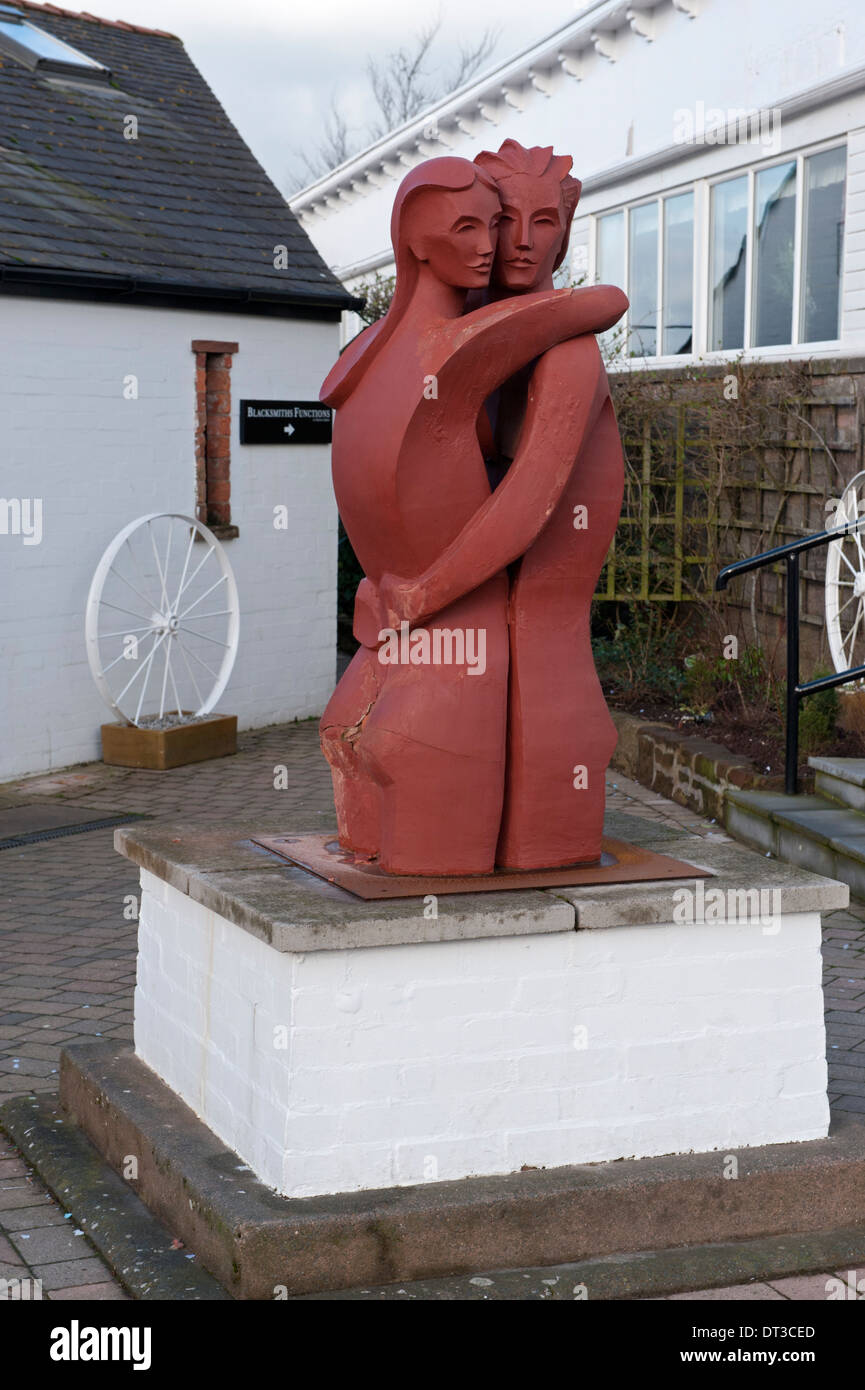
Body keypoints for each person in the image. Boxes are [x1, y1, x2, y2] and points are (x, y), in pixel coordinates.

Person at [319, 155, 626, 875]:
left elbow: (526, 506)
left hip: (515, 623)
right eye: (498, 220)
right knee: (350, 733)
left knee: (466, 753)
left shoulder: (563, 356)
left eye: (540, 222)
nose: (513, 241)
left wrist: (418, 593)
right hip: (434, 610)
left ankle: (531, 837)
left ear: (564, 232)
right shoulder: (480, 343)